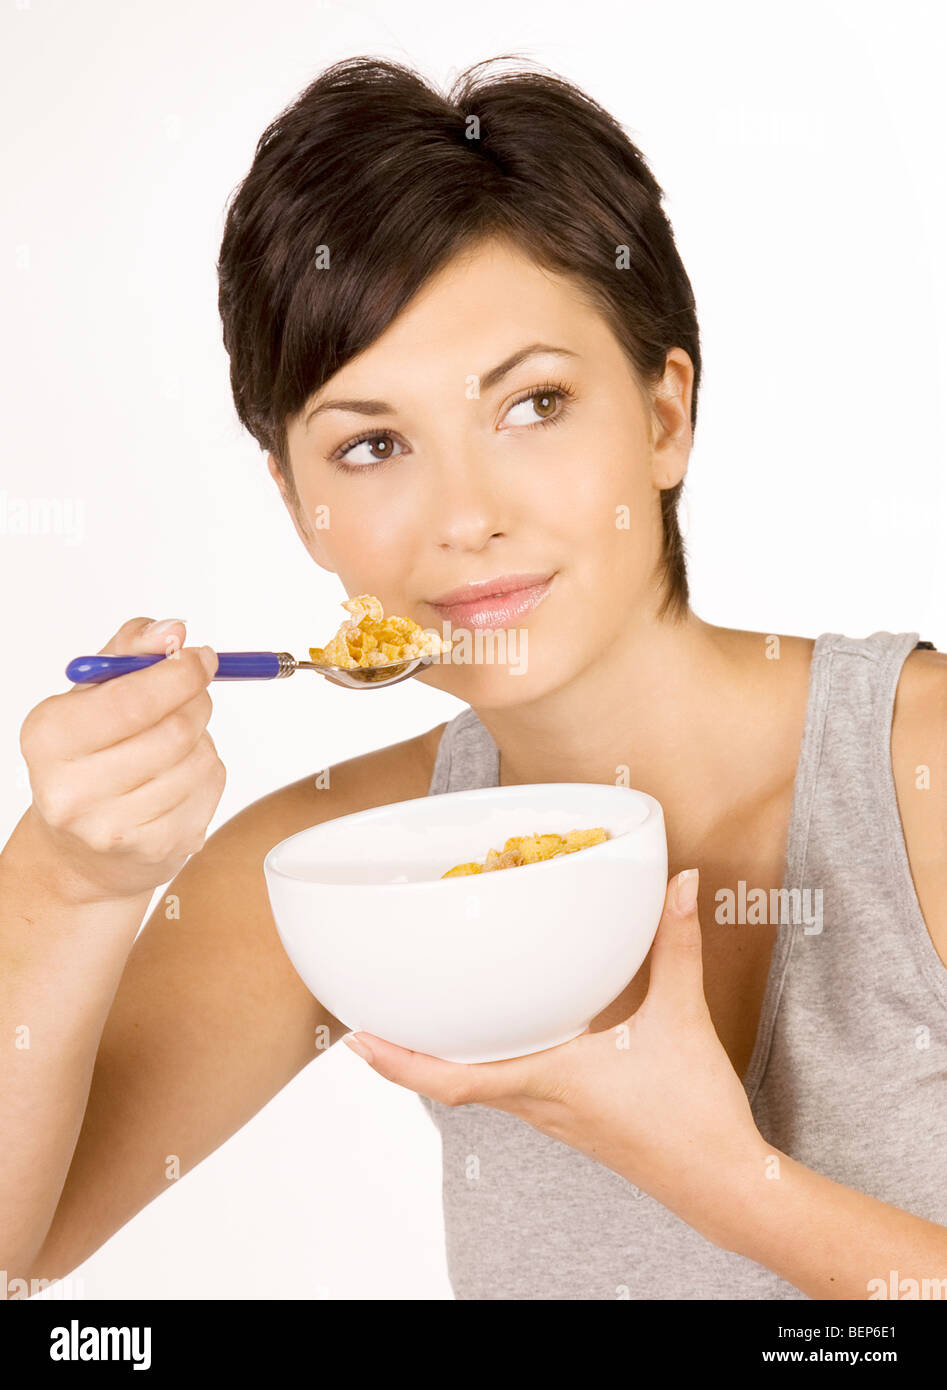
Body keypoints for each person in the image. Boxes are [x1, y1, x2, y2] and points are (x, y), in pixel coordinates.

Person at [2, 55, 944, 1301]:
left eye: (533, 403)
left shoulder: (911, 771)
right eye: (373, 443)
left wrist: (727, 1181)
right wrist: (68, 884)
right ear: (296, 502)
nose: (464, 515)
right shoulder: (348, 861)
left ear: (665, 415)